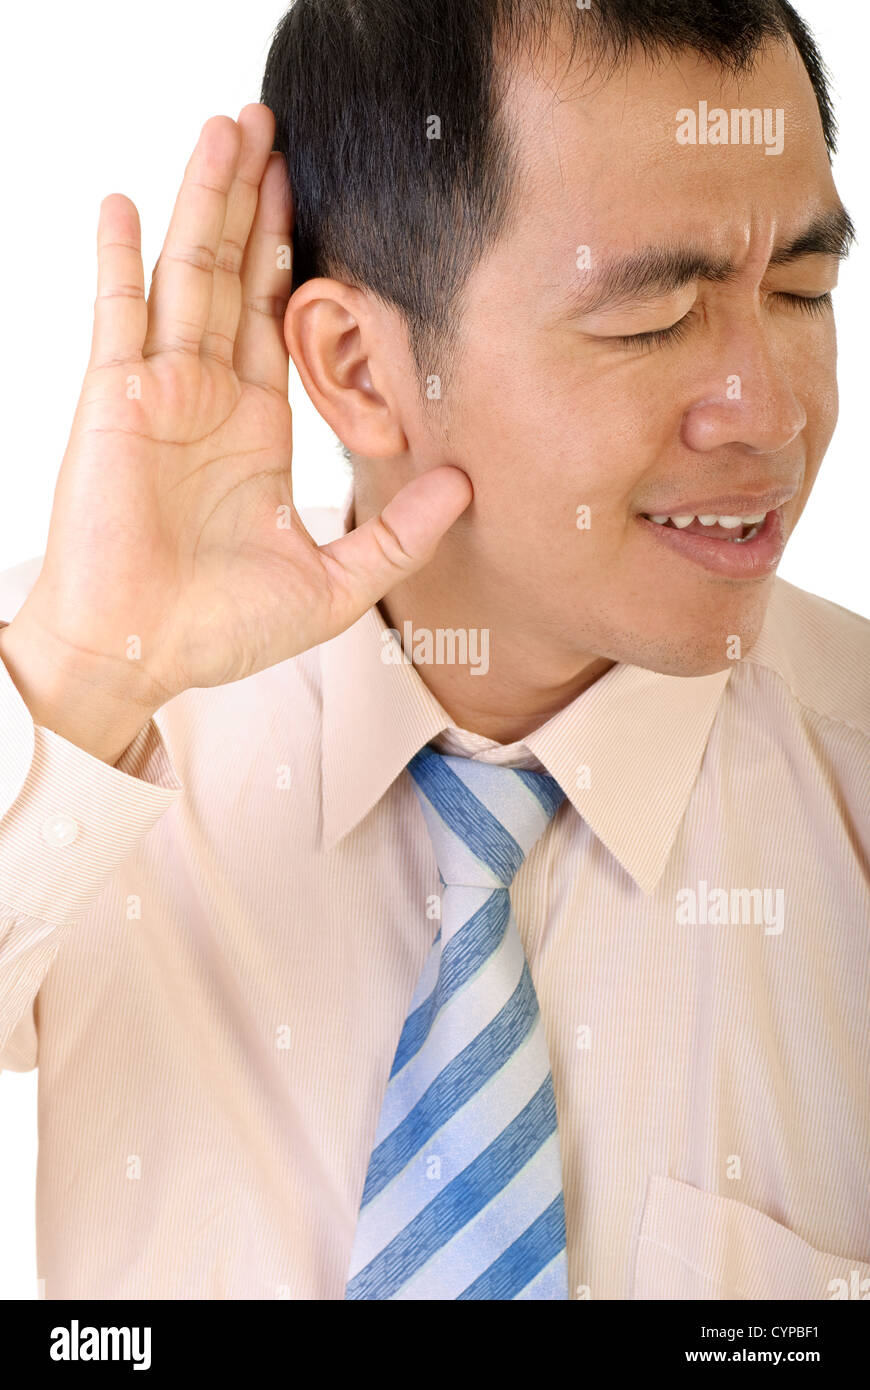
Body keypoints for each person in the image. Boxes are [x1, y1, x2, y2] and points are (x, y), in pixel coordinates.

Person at [0, 0, 867, 1300]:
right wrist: (76, 683)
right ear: (355, 367)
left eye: (799, 289)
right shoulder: (83, 716)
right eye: (651, 318)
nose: (770, 411)